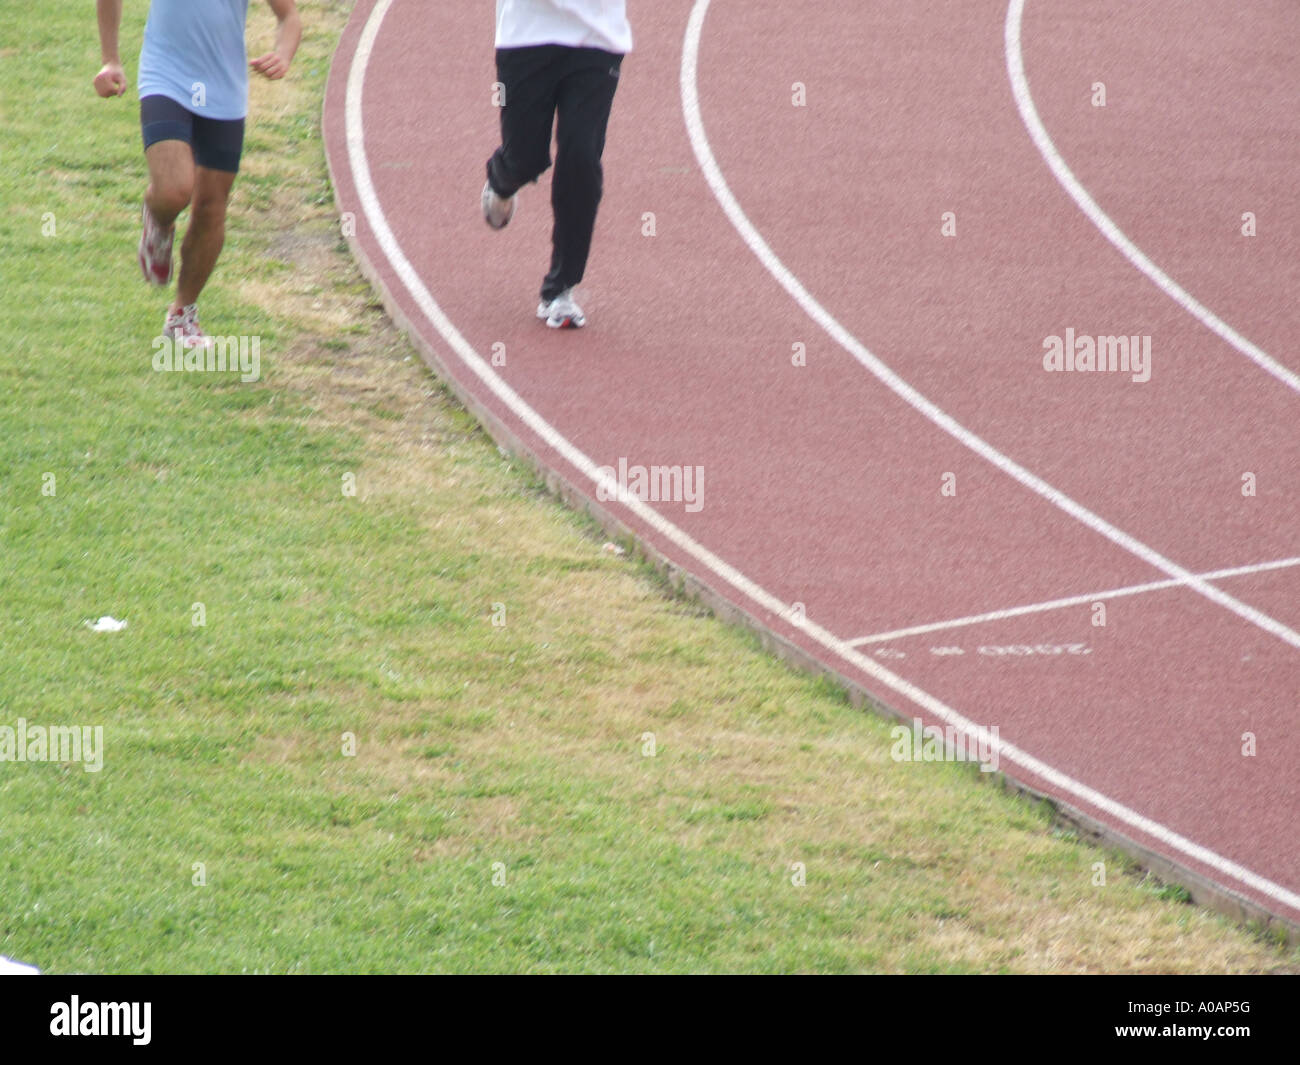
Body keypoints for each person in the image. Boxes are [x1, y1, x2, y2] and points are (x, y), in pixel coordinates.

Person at [93, 0, 302, 348]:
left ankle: (182, 315)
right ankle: (158, 219)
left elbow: (289, 16)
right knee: (175, 190)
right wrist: (111, 59)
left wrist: (283, 53)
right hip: (166, 76)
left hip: (224, 89)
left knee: (211, 207)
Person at [483, 1, 632, 329]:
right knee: (524, 158)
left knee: (581, 154)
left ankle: (560, 288)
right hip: (525, 35)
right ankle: (503, 180)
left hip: (597, 38)